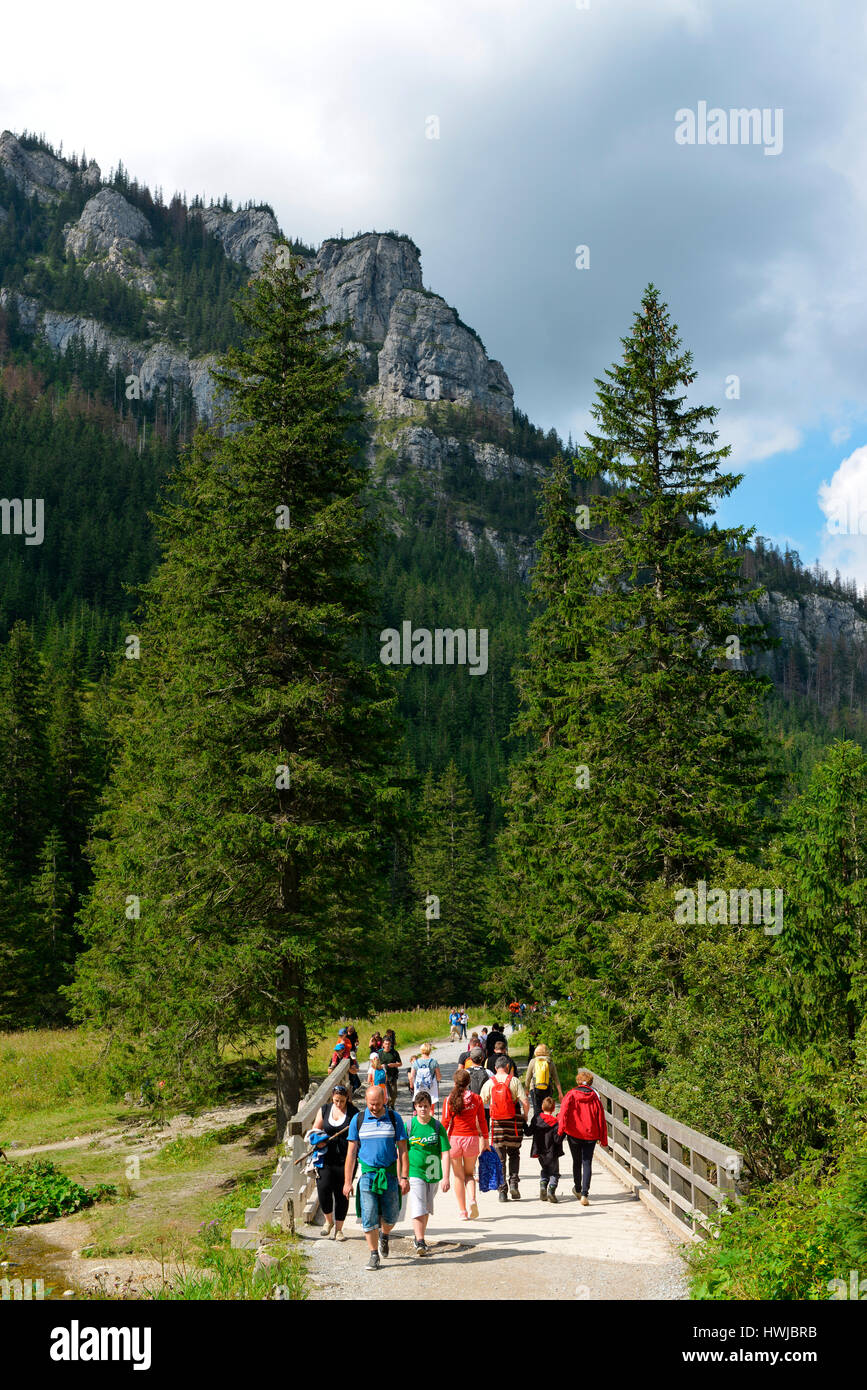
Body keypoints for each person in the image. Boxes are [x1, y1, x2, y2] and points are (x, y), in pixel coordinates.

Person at [343, 1085, 409, 1271]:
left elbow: (403, 1151)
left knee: (391, 1217)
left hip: (389, 1174)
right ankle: (373, 1255)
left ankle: (384, 1236)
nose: (374, 1107)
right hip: (367, 1176)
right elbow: (351, 1153)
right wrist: (347, 1182)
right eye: (371, 1104)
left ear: (385, 1101)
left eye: (378, 1104)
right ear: (366, 1101)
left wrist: (404, 1177)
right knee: (369, 1216)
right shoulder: (358, 1120)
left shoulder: (395, 1119)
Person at [406, 1090, 451, 1256]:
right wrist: (402, 1175)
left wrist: (446, 1177)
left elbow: (446, 1153)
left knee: (426, 1207)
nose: (423, 1109)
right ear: (415, 1107)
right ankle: (420, 1240)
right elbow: (402, 1151)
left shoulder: (438, 1127)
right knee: (418, 1205)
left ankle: (419, 1236)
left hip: (433, 1173)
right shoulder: (409, 1126)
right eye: (420, 1106)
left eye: (425, 1106)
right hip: (415, 1171)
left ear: (430, 1107)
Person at [441, 1068, 489, 1220]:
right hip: (472, 1140)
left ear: (455, 1083)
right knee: (469, 1175)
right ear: (469, 1082)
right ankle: (473, 1199)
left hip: (454, 1139)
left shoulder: (449, 1100)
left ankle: (462, 1211)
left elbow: (445, 1123)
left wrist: (440, 1141)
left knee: (458, 1176)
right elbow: (482, 1121)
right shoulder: (476, 1099)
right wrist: (486, 1140)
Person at [312, 1083, 358, 1238]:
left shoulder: (353, 1113)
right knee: (323, 1188)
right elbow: (315, 1130)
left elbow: (359, 1135)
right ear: (332, 1098)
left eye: (342, 1101)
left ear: (347, 1099)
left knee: (342, 1193)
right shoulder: (324, 1110)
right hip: (325, 1156)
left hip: (346, 1158)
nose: (338, 1104)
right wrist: (318, 1140)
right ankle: (328, 1221)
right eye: (336, 1100)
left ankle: (339, 1229)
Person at [480, 1055, 528, 1202]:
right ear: (508, 1067)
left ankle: (502, 1191)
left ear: (495, 1068)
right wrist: (525, 1117)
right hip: (513, 1123)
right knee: (514, 1154)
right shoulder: (513, 1081)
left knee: (500, 1158)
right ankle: (514, 1184)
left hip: (497, 1125)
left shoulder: (490, 1082)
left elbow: (481, 1103)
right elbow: (525, 1102)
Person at [558, 1069, 608, 1205]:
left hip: (574, 1133)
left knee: (576, 1161)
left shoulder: (571, 1094)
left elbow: (563, 1113)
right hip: (591, 1134)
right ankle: (585, 1194)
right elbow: (600, 1117)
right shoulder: (595, 1097)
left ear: (578, 1081)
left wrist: (561, 1130)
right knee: (587, 1162)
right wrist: (602, 1137)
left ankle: (578, 1189)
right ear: (590, 1083)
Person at [528, 1095, 564, 1202]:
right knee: (554, 1173)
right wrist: (564, 1131)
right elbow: (557, 1140)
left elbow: (528, 1132)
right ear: (553, 1109)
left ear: (542, 1107)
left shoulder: (536, 1118)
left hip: (540, 1152)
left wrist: (524, 1124)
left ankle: (543, 1185)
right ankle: (551, 1190)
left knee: (545, 1170)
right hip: (552, 1153)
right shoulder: (555, 1122)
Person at [525, 1043, 563, 1119]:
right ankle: (547, 1126)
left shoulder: (533, 1061)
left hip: (535, 1089)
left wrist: (526, 1090)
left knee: (537, 1110)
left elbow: (528, 1077)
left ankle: (537, 1127)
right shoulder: (550, 1062)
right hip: (548, 1089)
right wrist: (560, 1093)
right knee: (547, 1110)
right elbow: (556, 1078)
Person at [409, 1042, 441, 1111]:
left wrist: (412, 1085)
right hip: (431, 1087)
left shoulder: (416, 1062)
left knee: (419, 1105)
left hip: (419, 1087)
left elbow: (411, 1076)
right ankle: (430, 1119)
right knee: (431, 1106)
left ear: (421, 1051)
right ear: (429, 1050)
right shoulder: (434, 1062)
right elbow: (439, 1077)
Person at [378, 1033, 402, 1109]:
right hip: (382, 1076)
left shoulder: (394, 1053)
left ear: (391, 1044)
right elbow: (375, 1064)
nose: (387, 1045)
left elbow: (400, 1063)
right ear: (383, 1044)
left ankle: (392, 1104)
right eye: (386, 1044)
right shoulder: (380, 1053)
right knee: (385, 1094)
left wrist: (394, 1065)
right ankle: (386, 1106)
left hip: (392, 1075)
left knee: (394, 1094)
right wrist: (381, 1066)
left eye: (389, 1044)